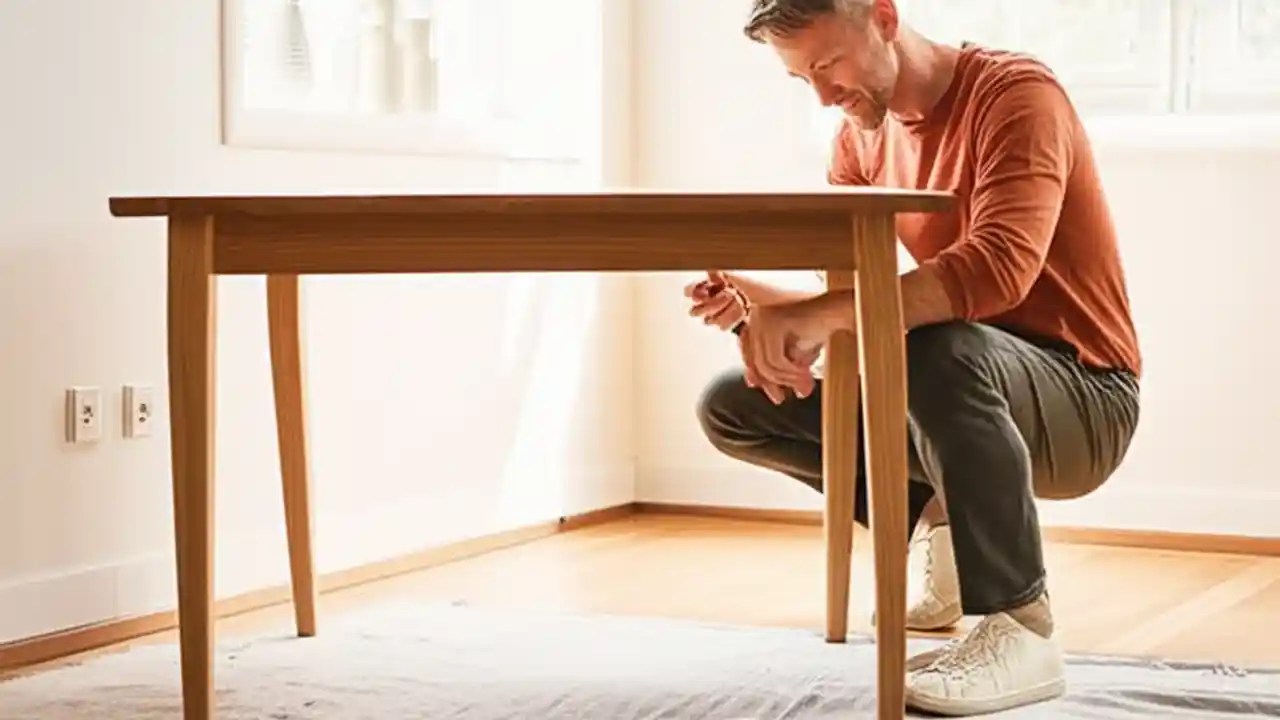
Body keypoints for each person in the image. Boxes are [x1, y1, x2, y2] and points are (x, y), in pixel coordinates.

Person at [687, 0, 1143, 715]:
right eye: (800, 77)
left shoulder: (1017, 97)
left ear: (884, 16)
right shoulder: (860, 139)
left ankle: (1022, 627)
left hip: (1084, 395)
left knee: (939, 346)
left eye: (828, 65)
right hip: (964, 382)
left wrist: (809, 319)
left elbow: (996, 271)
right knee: (734, 404)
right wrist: (762, 306)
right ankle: (948, 526)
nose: (822, 95)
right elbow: (854, 293)